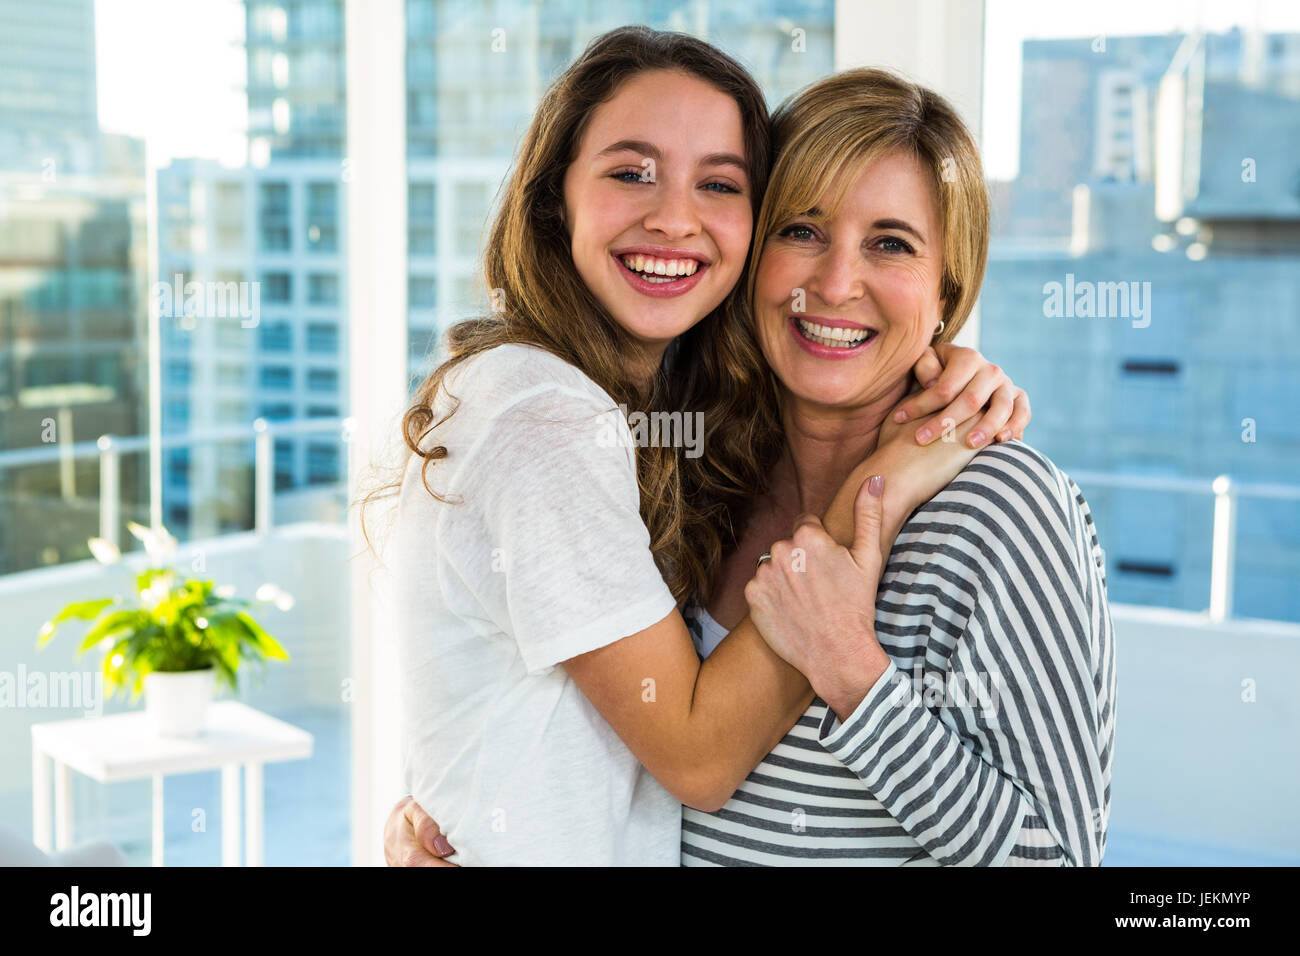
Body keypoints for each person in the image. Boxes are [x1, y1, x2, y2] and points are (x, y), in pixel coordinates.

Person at [382, 30, 1031, 867]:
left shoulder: (684, 441)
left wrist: (938, 390)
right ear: (554, 201)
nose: (675, 217)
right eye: (629, 172)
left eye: (719, 184)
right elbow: (696, 755)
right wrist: (879, 485)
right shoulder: (543, 416)